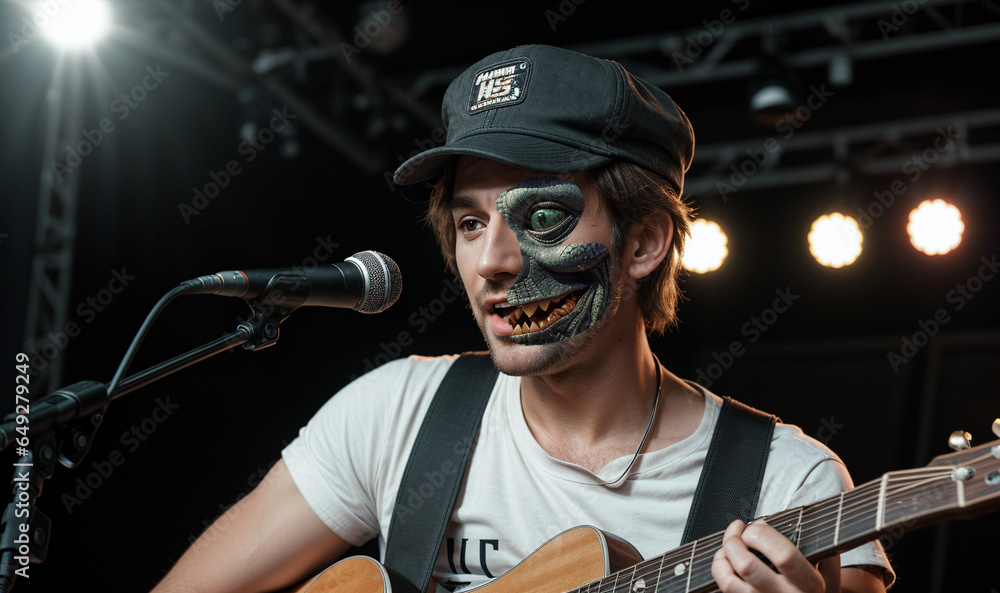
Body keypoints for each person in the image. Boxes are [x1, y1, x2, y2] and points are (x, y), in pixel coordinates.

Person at [152, 45, 893, 593]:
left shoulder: (789, 485)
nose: (492, 263)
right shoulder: (398, 414)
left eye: (540, 215)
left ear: (643, 241)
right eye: (471, 223)